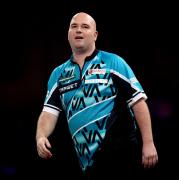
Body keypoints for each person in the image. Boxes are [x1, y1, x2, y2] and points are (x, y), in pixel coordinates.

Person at [36, 12, 158, 179]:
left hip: (119, 150)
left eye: (85, 27)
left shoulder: (113, 62)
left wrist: (149, 143)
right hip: (87, 161)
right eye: (74, 26)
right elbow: (49, 112)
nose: (78, 30)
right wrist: (41, 136)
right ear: (68, 34)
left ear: (95, 35)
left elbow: (138, 102)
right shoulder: (58, 74)